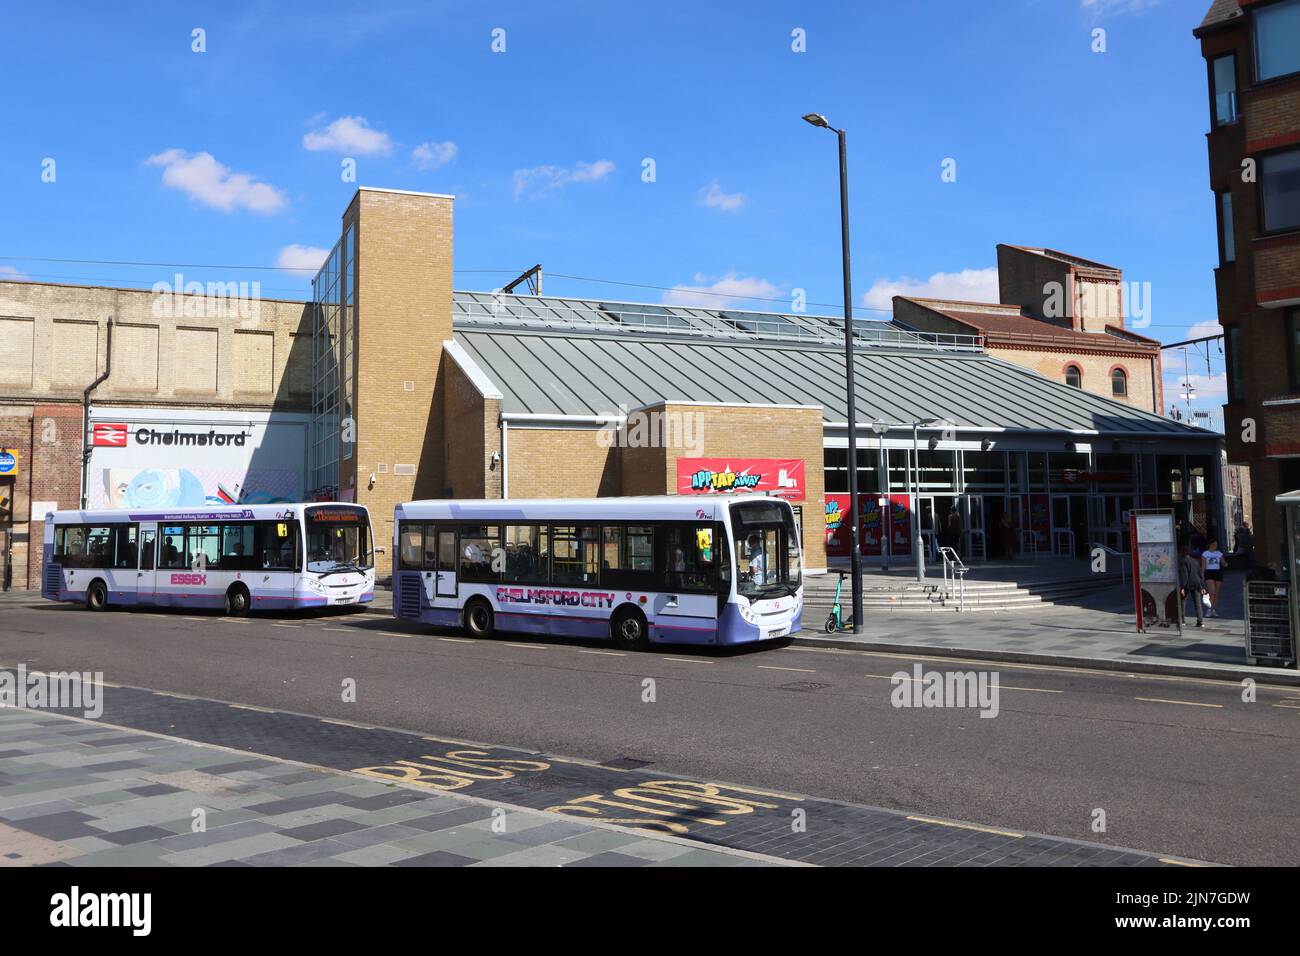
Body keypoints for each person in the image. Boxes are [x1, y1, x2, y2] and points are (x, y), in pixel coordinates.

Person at [1179, 546, 1206, 628]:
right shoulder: (1195, 561)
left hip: (1188, 584)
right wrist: (1202, 587)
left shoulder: (1183, 562)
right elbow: (1200, 574)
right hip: (1197, 584)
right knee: (1197, 603)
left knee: (1182, 602)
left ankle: (1182, 620)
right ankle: (1200, 621)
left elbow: (1184, 575)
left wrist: (1182, 587)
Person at [1201, 538, 1226, 618]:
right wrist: (1202, 574)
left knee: (1217, 593)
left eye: (1216, 544)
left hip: (1217, 572)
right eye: (1214, 544)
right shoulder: (1205, 553)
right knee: (1212, 592)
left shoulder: (1219, 553)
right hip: (1209, 572)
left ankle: (1213, 609)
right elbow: (1203, 565)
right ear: (1210, 545)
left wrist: (1225, 564)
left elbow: (1223, 563)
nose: (1216, 546)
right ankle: (1209, 609)